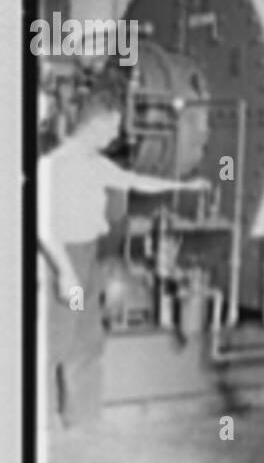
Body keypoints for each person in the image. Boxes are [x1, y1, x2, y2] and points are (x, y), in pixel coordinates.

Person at [37, 84, 208, 430]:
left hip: (87, 258)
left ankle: (80, 418)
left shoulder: (94, 164)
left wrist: (184, 187)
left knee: (86, 339)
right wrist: (65, 272)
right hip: (62, 261)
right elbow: (41, 225)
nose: (116, 134)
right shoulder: (52, 166)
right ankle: (38, 422)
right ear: (96, 124)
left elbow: (135, 181)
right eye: (113, 127)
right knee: (56, 339)